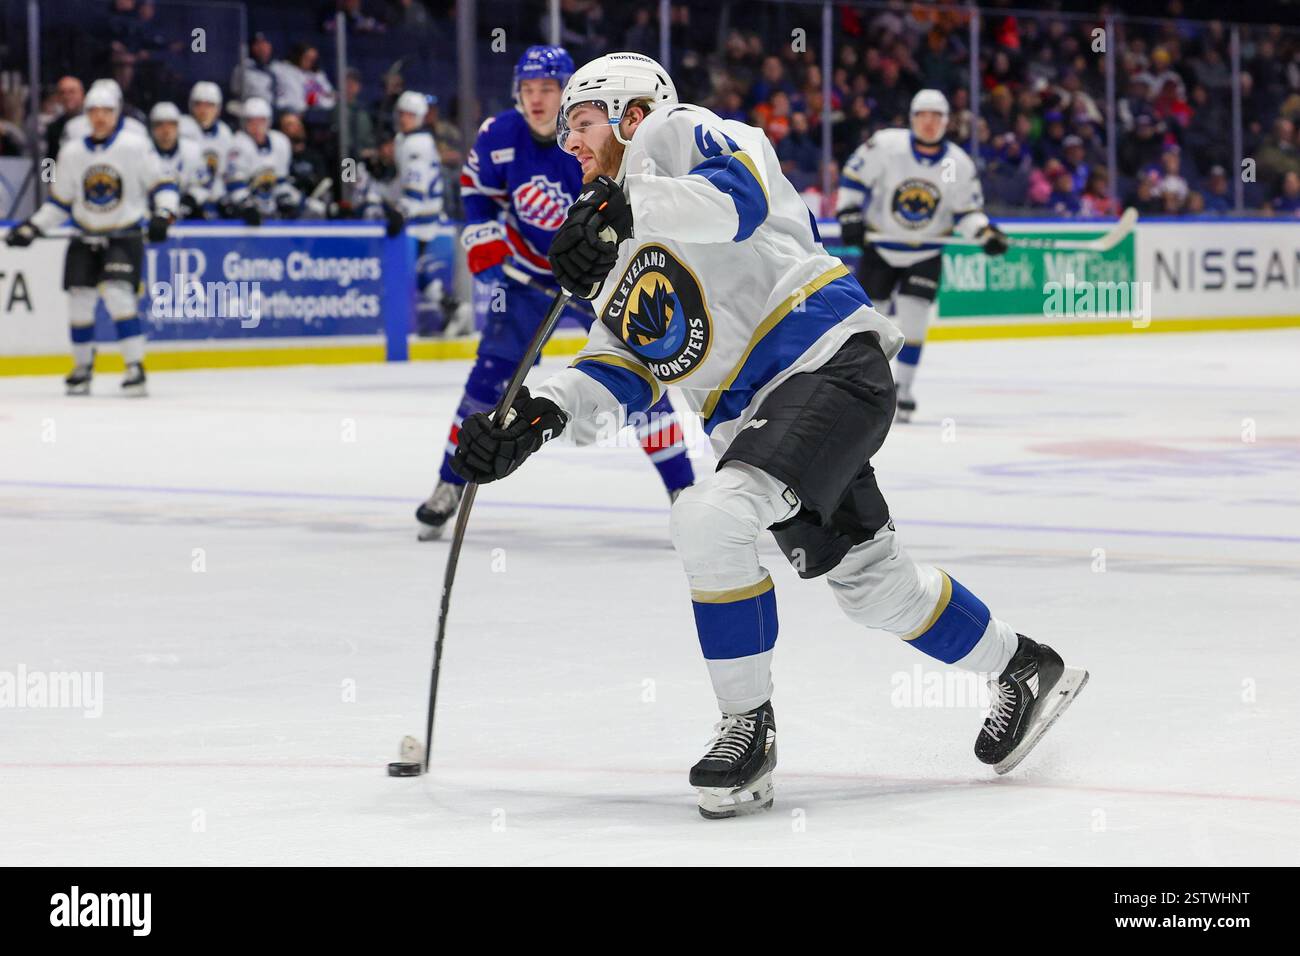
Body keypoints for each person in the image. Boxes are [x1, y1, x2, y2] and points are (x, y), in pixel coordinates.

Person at [449, 53, 1088, 820]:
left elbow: (739, 200)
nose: (570, 143)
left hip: (824, 361)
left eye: (582, 122)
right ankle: (1023, 666)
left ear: (631, 113)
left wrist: (630, 206)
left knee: (709, 515)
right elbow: (628, 361)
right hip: (762, 416)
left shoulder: (674, 135)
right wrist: (538, 415)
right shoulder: (607, 239)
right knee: (874, 586)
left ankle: (746, 729)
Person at [415, 46, 695, 541]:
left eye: (547, 89)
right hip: (525, 280)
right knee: (488, 384)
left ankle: (684, 491)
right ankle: (449, 482)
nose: (537, 99)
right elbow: (478, 191)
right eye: (528, 89)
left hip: (599, 278)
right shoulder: (498, 135)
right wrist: (484, 236)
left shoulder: (590, 138)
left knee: (636, 378)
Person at [836, 89, 1008, 422]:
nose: (929, 123)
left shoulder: (957, 163)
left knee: (914, 319)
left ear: (946, 121)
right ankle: (867, 384)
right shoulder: (886, 146)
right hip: (882, 248)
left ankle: (904, 388)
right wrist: (849, 213)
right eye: (922, 116)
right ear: (912, 118)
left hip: (926, 252)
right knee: (871, 321)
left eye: (936, 117)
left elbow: (966, 213)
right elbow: (853, 180)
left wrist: (985, 234)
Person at [5, 80, 176, 396]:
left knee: (119, 297)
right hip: (84, 235)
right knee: (79, 303)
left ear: (117, 112)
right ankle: (82, 366)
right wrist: (32, 227)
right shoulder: (72, 152)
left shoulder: (134, 146)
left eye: (106, 111)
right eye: (94, 111)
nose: (100, 117)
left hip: (123, 235)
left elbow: (163, 184)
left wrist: (164, 215)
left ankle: (134, 366)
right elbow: (60, 203)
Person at [225, 97, 303, 222]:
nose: (257, 126)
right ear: (244, 123)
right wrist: (248, 207)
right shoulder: (238, 145)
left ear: (268, 121)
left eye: (261, 121)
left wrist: (286, 199)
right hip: (247, 204)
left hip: (271, 203)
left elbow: (281, 181)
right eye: (252, 121)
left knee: (309, 207)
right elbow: (236, 187)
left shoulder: (280, 142)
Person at [178, 82, 235, 218]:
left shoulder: (224, 132)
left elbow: (223, 174)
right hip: (185, 198)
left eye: (209, 105)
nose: (203, 110)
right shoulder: (182, 127)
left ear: (218, 108)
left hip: (213, 200)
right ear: (191, 106)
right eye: (198, 104)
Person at [148, 102, 206, 220]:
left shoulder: (192, 150)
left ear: (178, 127)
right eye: (160, 125)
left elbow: (202, 184)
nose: (166, 130)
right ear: (152, 128)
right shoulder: (143, 151)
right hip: (151, 212)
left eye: (171, 124)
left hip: (185, 212)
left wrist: (191, 199)